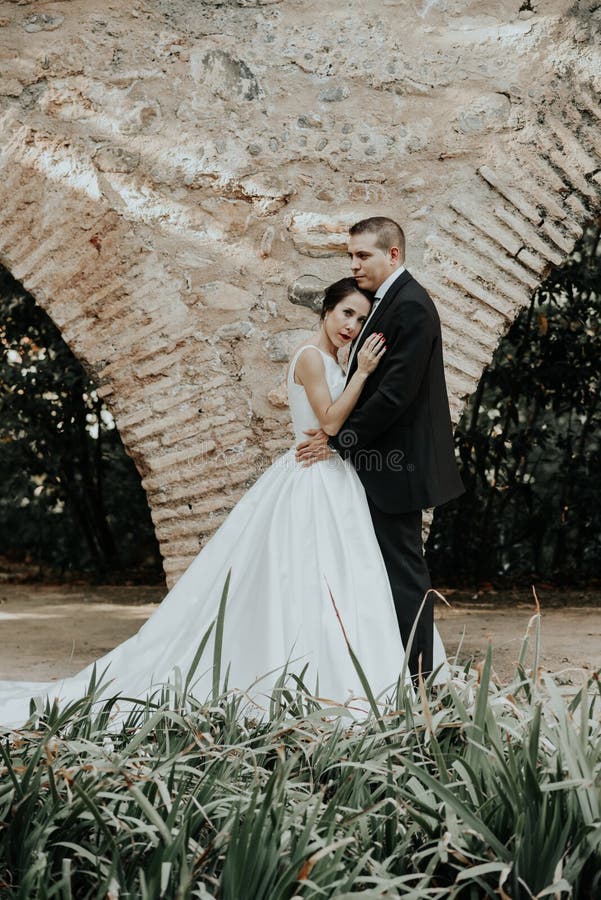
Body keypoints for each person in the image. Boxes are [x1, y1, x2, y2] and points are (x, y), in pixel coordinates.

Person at [0, 277, 446, 730]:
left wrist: (350, 404)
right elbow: (329, 421)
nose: (352, 324)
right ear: (326, 310)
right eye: (345, 313)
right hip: (312, 481)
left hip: (335, 479)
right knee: (307, 576)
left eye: (360, 317)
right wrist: (365, 375)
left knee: (348, 579)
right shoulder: (312, 358)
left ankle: (354, 672)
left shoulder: (337, 358)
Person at [296, 218, 464, 681]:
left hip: (396, 467)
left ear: (393, 255)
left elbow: (396, 395)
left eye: (363, 255)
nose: (354, 265)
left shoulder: (410, 306)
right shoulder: (385, 302)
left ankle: (423, 682)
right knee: (378, 573)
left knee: (404, 573)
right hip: (373, 467)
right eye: (350, 256)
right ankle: (388, 673)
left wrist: (337, 441)